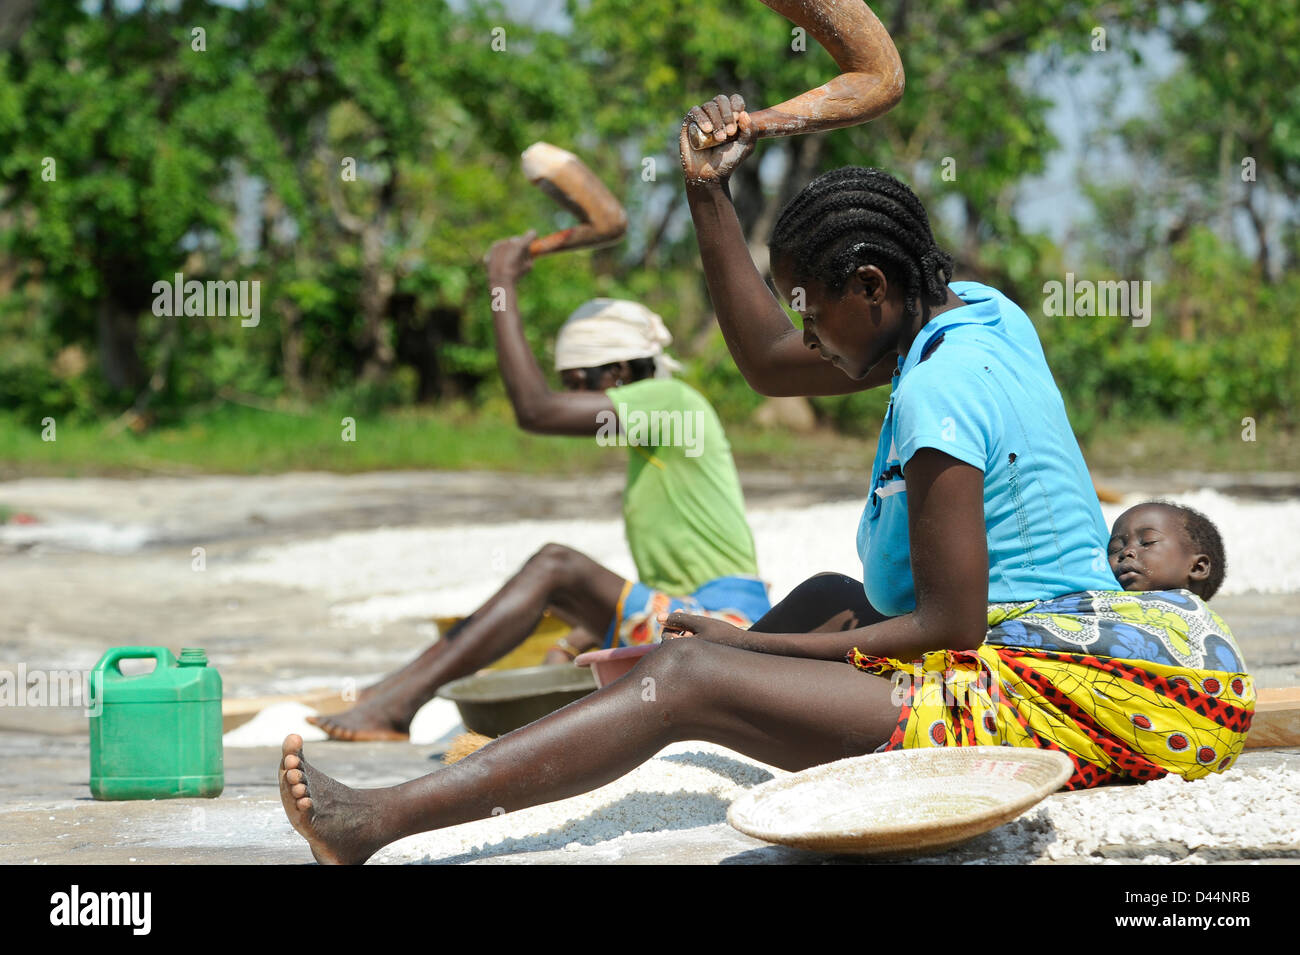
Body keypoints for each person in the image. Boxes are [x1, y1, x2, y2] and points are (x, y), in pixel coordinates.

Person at [276, 99, 1252, 864]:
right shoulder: (980, 311)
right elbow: (762, 358)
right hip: (1127, 645)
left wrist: (745, 646)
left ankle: (380, 820)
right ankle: (665, 699)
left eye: (814, 311)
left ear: (871, 285)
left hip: (1084, 688)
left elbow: (951, 628)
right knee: (832, 599)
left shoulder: (938, 396)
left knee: (689, 673)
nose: (809, 339)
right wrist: (709, 192)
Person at [307, 231, 770, 741]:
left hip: (728, 626)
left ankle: (398, 704)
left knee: (556, 565)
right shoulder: (654, 441)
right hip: (690, 618)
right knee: (560, 581)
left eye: (576, 385)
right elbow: (661, 590)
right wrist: (573, 643)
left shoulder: (670, 401)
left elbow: (535, 409)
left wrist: (501, 283)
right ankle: (394, 691)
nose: (573, 401)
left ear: (616, 373)